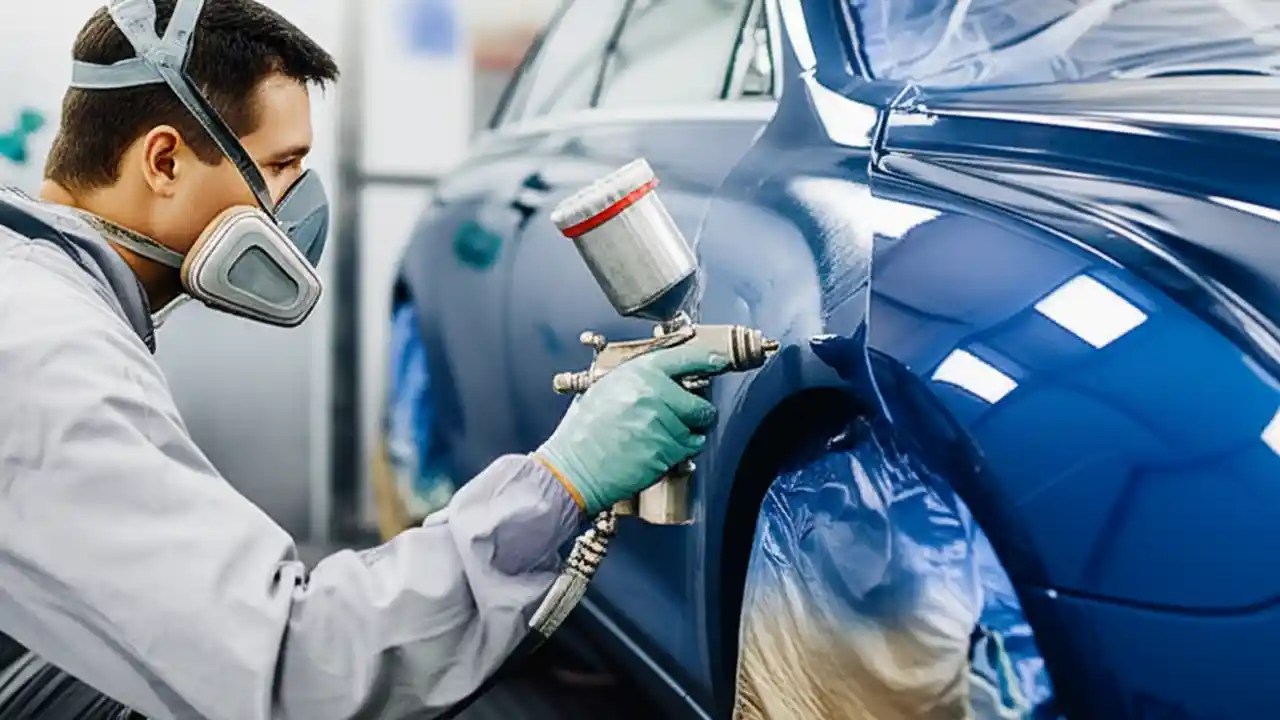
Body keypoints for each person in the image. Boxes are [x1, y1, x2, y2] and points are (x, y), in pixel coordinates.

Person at [0, 1, 728, 718]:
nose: (297, 207)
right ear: (164, 161)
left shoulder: (35, 296)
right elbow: (295, 667)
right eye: (281, 166)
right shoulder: (51, 357)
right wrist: (561, 482)